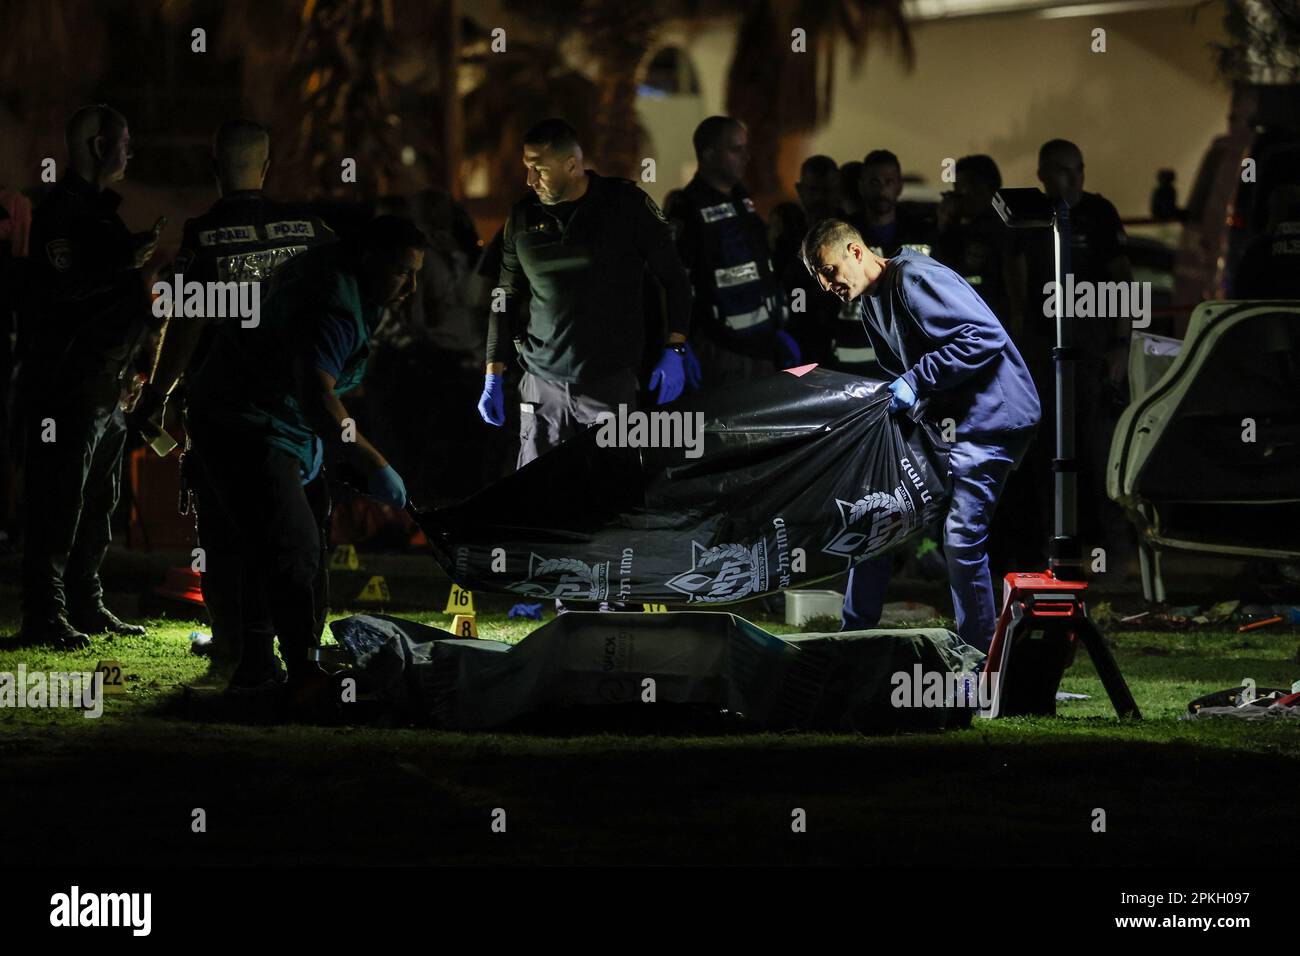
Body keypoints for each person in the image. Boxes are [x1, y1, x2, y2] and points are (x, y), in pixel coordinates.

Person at [181, 216, 425, 696]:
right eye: (403, 272)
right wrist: (375, 462)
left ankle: (272, 663)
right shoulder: (333, 303)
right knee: (291, 546)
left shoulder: (350, 281)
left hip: (278, 421)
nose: (411, 287)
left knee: (286, 542)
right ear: (371, 260)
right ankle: (293, 672)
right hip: (248, 421)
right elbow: (318, 396)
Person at [133, 119, 337, 668]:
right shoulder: (312, 230)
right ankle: (306, 639)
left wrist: (156, 397)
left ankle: (238, 642)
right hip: (306, 412)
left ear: (216, 167)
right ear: (267, 167)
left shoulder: (205, 234)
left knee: (228, 532)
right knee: (306, 530)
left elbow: (185, 326)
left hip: (230, 414)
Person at [801, 218, 1041, 651]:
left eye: (830, 271)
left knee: (961, 539)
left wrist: (916, 381)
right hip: (952, 420)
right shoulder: (872, 302)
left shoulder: (914, 279)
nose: (826, 285)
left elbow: (983, 337)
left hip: (991, 416)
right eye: (819, 279)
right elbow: (903, 372)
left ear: (856, 252)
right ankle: (851, 640)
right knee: (878, 519)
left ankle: (979, 664)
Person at [18, 104, 161, 648]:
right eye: (125, 141)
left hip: (107, 385)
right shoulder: (62, 211)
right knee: (59, 498)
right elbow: (60, 292)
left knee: (98, 501)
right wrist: (125, 262)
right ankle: (45, 612)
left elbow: (106, 300)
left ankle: (84, 601)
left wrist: (135, 365)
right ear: (100, 145)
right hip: (68, 383)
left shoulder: (99, 212)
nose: (131, 151)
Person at [475, 118, 693, 468]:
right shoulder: (522, 216)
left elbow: (675, 279)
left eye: (538, 169)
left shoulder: (624, 204)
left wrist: (676, 347)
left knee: (612, 497)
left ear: (572, 165)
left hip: (608, 384)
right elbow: (505, 296)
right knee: (539, 496)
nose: (530, 180)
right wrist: (492, 375)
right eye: (526, 168)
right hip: (541, 385)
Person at [1005, 139, 1134, 569]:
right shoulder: (1032, 217)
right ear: (1042, 175)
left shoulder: (1099, 214)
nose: (1073, 178)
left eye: (1077, 168)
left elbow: (1122, 281)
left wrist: (1120, 345)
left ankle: (1113, 558)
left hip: (1094, 346)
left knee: (1100, 454)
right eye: (1062, 170)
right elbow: (1019, 289)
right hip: (1045, 347)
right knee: (1047, 454)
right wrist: (1020, 353)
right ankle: (1054, 554)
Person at [674, 116, 800, 386]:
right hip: (722, 350)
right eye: (735, 149)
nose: (746, 157)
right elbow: (676, 283)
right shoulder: (689, 208)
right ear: (709, 155)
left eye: (745, 148)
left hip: (763, 347)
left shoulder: (742, 200)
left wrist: (779, 328)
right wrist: (680, 345)